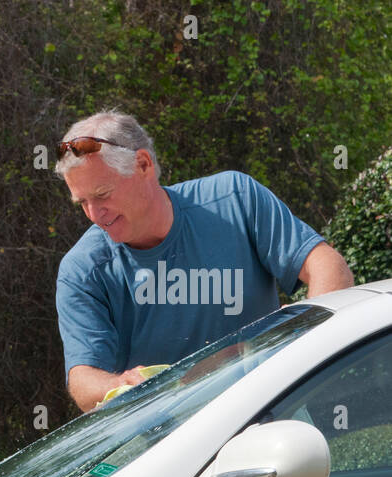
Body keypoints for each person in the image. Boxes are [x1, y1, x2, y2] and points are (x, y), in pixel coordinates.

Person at [53, 110, 353, 411]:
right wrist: (120, 385)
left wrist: (304, 331)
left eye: (102, 194)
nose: (94, 214)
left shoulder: (235, 199)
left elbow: (329, 266)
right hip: (174, 443)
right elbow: (82, 381)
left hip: (274, 413)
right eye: (82, 202)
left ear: (143, 165)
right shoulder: (82, 270)